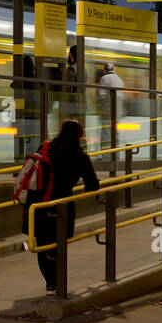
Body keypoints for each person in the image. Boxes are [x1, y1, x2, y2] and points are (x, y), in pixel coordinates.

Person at [30, 120, 100, 295]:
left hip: (41, 204)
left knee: (43, 244)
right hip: (65, 205)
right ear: (79, 135)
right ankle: (57, 280)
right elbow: (92, 185)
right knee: (60, 243)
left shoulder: (47, 149)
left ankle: (50, 282)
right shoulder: (80, 156)